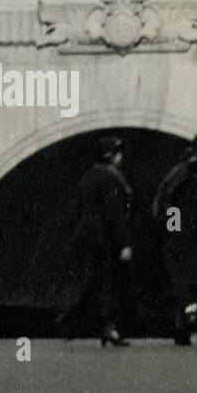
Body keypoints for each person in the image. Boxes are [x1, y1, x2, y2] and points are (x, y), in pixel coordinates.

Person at [56, 135, 135, 347]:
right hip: (106, 239)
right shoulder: (110, 178)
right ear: (110, 156)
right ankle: (106, 328)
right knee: (111, 283)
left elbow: (75, 208)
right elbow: (114, 213)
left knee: (97, 283)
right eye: (118, 152)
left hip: (90, 236)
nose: (121, 156)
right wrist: (124, 243)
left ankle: (75, 322)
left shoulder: (90, 176)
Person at [152, 130, 197, 346]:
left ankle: (183, 326)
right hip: (195, 236)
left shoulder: (177, 172)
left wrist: (174, 228)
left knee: (182, 282)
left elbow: (164, 202)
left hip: (176, 236)